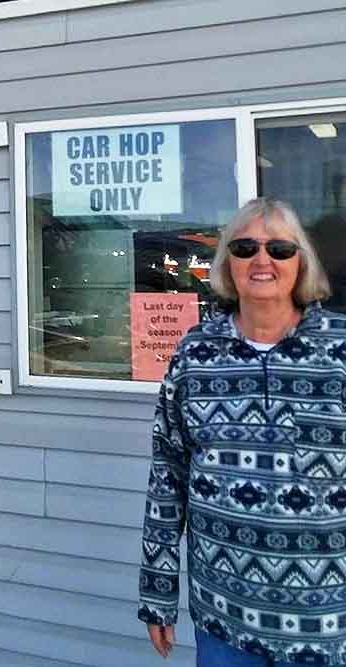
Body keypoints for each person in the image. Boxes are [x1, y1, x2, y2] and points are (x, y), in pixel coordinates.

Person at [137, 197, 346, 666]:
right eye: (245, 247)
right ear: (227, 263)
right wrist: (158, 590)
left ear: (301, 262)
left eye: (280, 248)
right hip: (224, 621)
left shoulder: (340, 349)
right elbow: (168, 476)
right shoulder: (195, 354)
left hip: (329, 624)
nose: (262, 260)